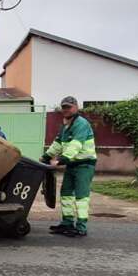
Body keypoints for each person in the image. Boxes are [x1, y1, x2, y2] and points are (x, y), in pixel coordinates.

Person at [41, 96, 96, 237]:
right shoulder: (65, 125)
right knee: (65, 193)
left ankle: (81, 227)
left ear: (76, 107)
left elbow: (76, 145)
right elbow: (58, 144)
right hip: (72, 165)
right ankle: (67, 223)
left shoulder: (81, 124)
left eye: (69, 107)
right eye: (64, 107)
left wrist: (61, 160)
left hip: (84, 165)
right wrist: (46, 156)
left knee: (81, 196)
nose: (66, 109)